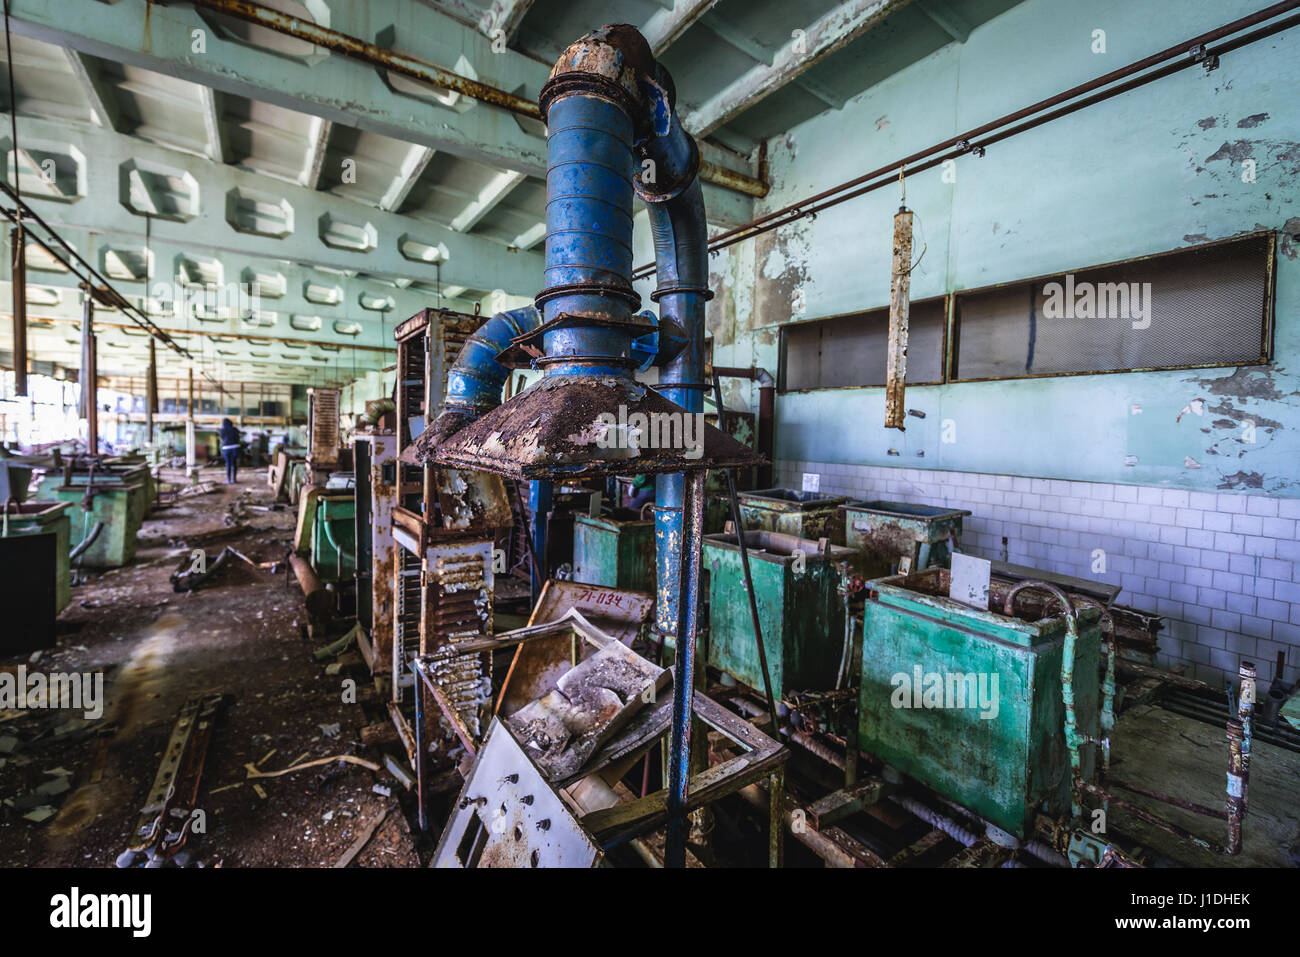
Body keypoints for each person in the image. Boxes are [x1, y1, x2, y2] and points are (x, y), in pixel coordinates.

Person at [219, 418, 241, 484]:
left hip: (226, 448)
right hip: (235, 447)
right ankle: (234, 479)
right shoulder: (235, 429)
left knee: (228, 464)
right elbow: (238, 437)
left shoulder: (222, 430)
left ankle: (228, 480)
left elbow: (222, 438)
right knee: (234, 463)